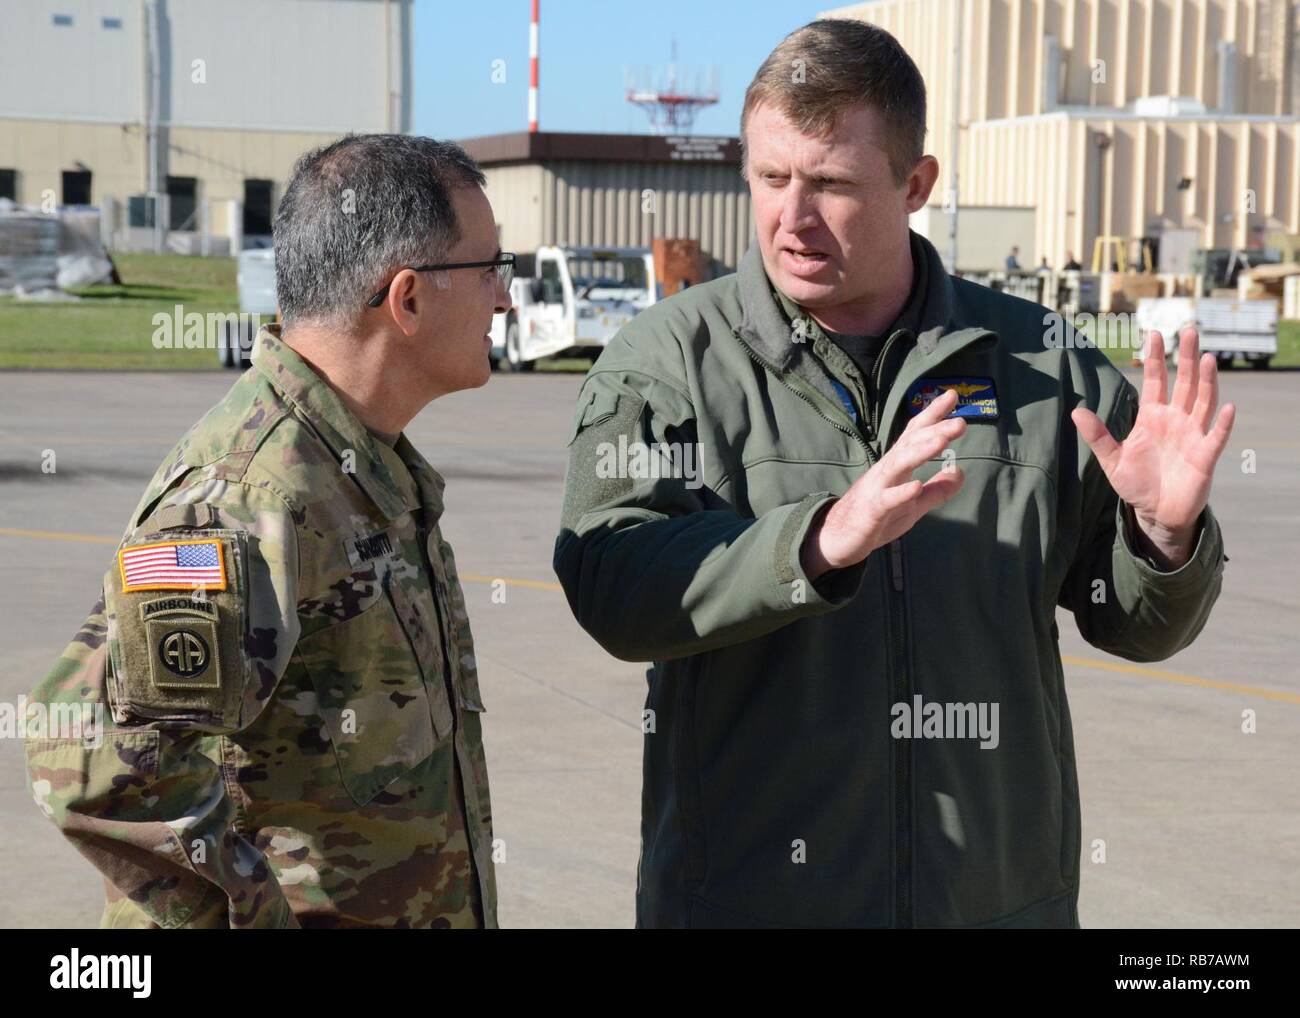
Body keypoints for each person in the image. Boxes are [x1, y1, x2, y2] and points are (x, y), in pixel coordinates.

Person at [553, 19, 1232, 928]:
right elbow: (612, 586)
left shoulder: (1042, 365)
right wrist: (818, 545)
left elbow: (1136, 627)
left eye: (830, 184)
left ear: (916, 185)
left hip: (993, 903)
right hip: (752, 903)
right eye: (769, 177)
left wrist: (1163, 540)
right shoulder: (666, 360)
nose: (790, 218)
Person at [24, 134, 512, 928]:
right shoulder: (251, 497)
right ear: (409, 299)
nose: (505, 299)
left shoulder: (364, 465)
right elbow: (103, 769)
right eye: (490, 268)